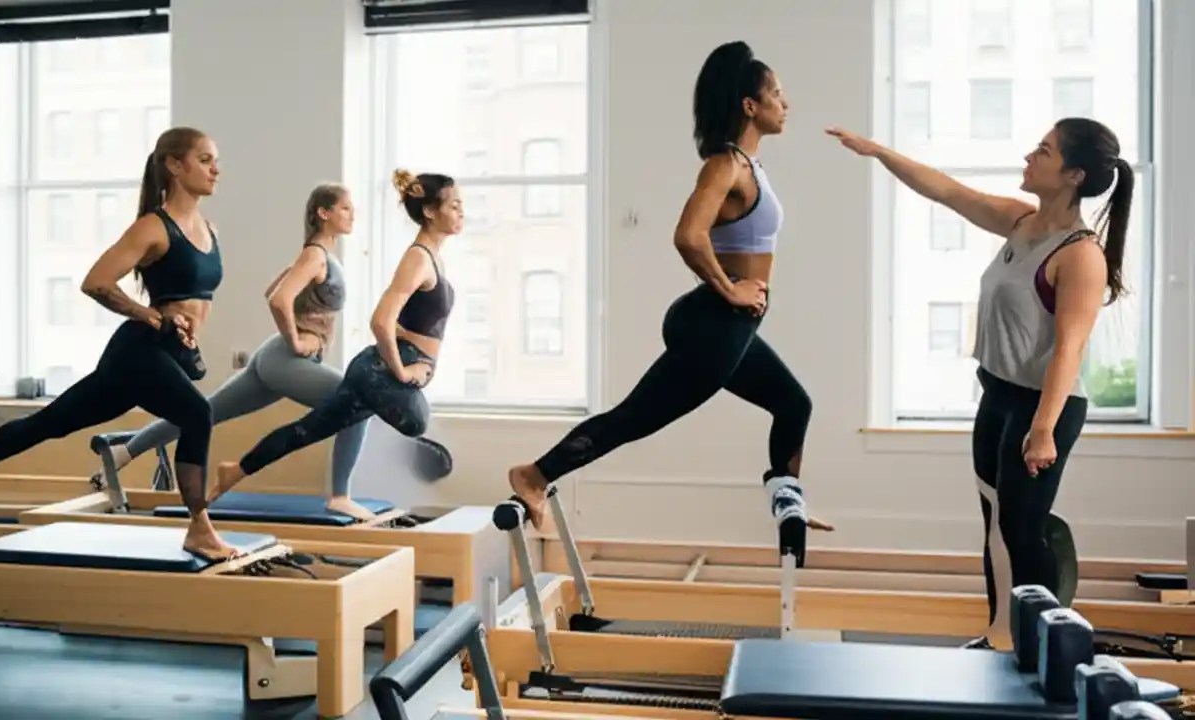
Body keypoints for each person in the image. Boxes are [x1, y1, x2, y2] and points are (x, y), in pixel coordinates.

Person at [826, 117, 1133, 649]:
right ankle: (1000, 636)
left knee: (1021, 528)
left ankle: (1042, 644)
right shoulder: (1020, 222)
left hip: (1044, 406)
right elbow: (945, 190)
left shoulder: (1081, 256)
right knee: (996, 523)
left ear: (1073, 175)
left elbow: (1069, 350)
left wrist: (1043, 430)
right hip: (998, 395)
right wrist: (878, 152)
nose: (1029, 156)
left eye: (1044, 151)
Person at [505, 41, 833, 535]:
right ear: (751, 105)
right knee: (635, 419)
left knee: (793, 403)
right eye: (778, 95)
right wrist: (731, 290)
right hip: (714, 324)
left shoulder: (751, 165)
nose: (786, 105)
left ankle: (789, 500)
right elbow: (688, 236)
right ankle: (534, 475)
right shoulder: (726, 165)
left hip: (727, 325)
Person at [0, 127, 239, 561]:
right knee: (198, 413)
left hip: (168, 354)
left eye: (215, 159)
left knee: (51, 422)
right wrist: (150, 315)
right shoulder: (152, 227)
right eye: (205, 159)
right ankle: (199, 528)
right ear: (174, 166)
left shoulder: (209, 229)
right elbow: (96, 282)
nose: (216, 168)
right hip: (140, 350)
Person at [91, 182, 381, 520]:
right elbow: (278, 299)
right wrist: (297, 340)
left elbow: (273, 289)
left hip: (273, 358)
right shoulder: (316, 255)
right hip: (284, 360)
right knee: (359, 402)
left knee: (204, 412)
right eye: (345, 208)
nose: (352, 214)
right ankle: (339, 496)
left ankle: (124, 451)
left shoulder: (317, 254)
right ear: (324, 213)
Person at [210, 169, 459, 498]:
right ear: (429, 211)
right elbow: (381, 320)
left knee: (311, 429)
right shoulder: (419, 259)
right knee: (414, 422)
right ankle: (352, 485)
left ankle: (238, 471)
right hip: (378, 370)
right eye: (454, 205)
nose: (461, 212)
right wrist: (402, 369)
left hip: (391, 365)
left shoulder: (433, 259)